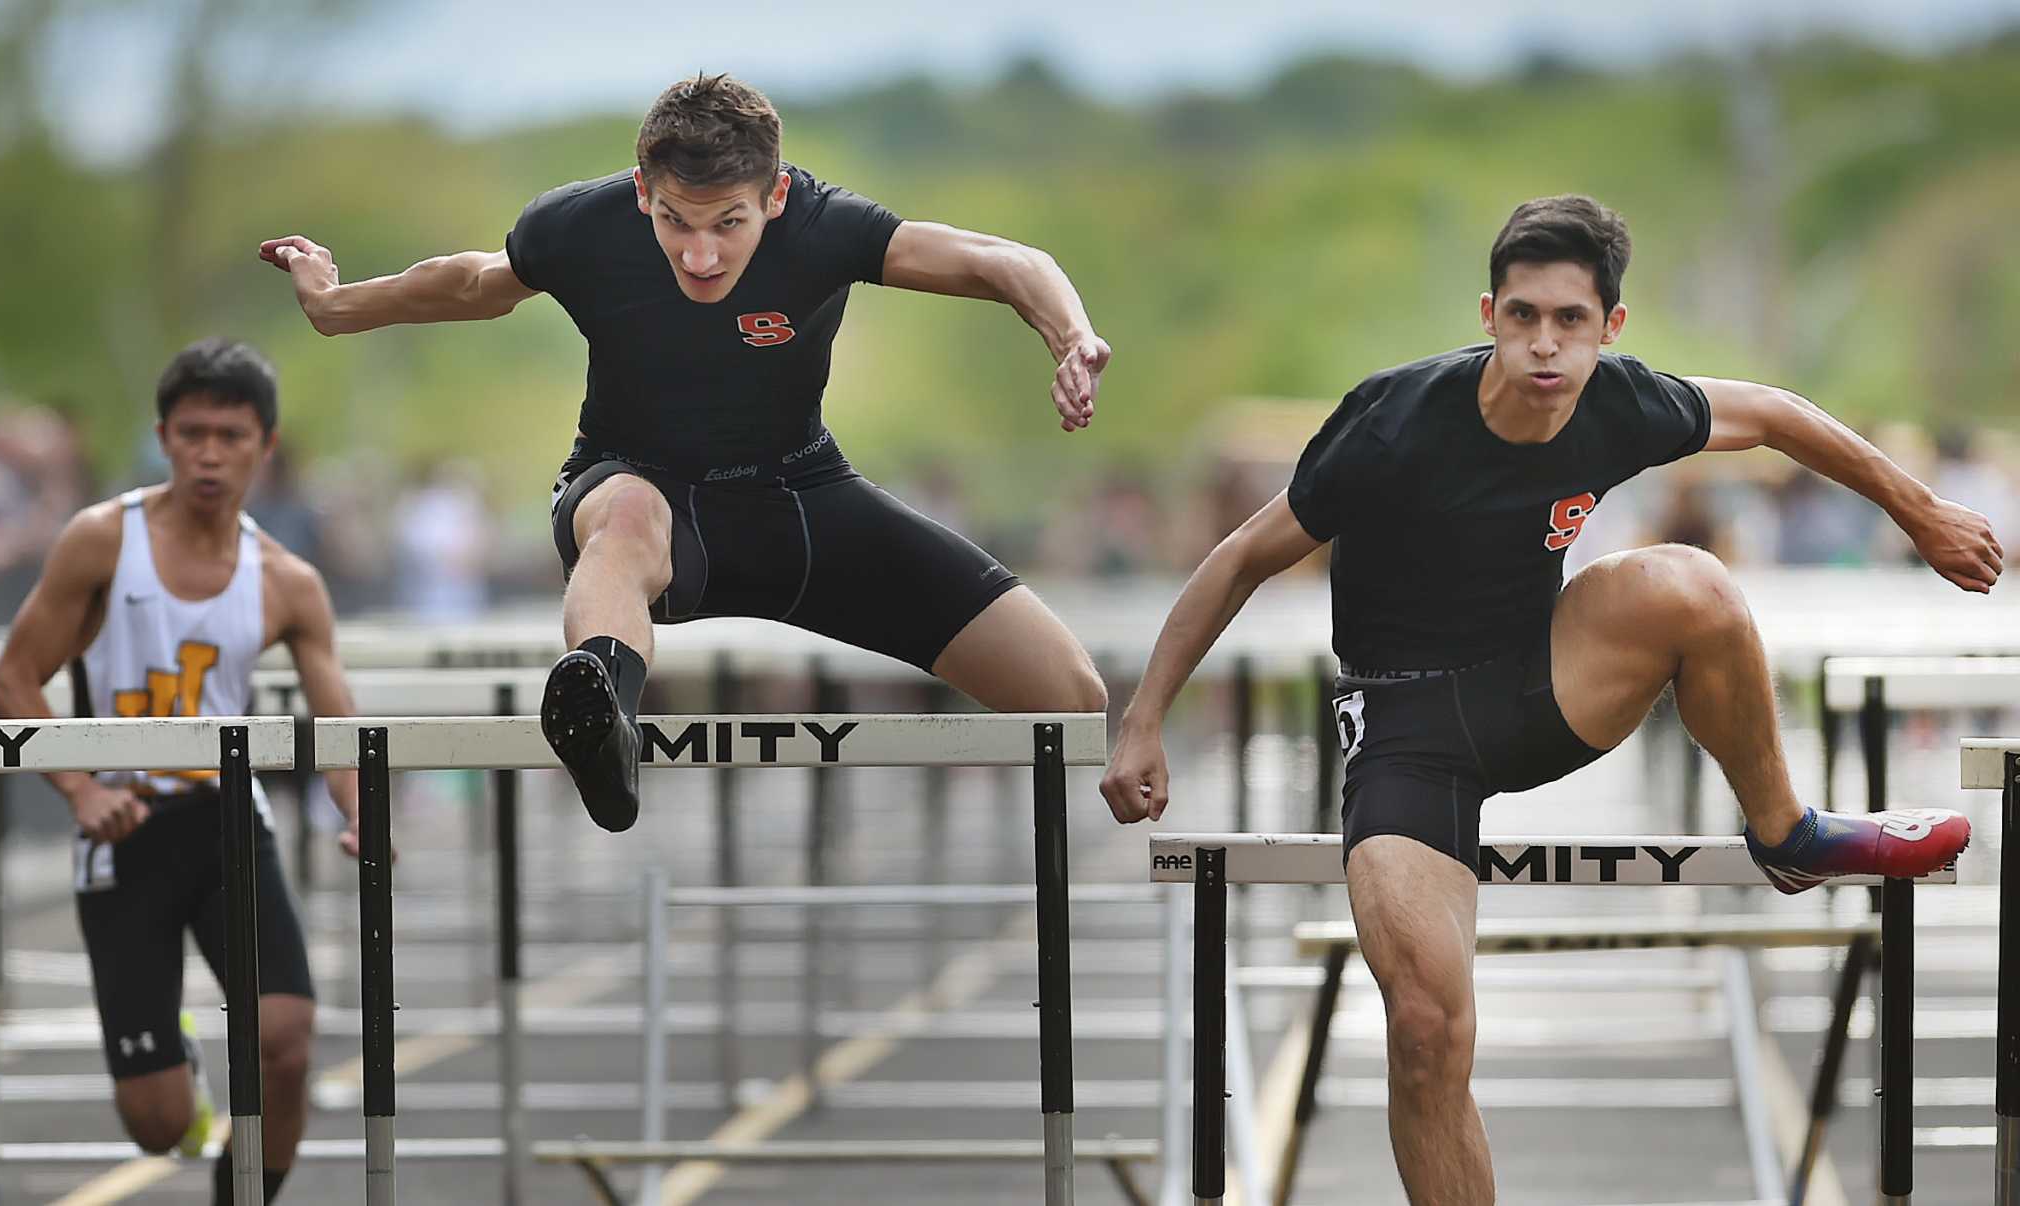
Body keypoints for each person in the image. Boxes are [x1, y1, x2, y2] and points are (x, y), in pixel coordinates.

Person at [1099, 195, 1991, 1204]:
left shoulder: (1623, 400)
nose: (1542, 345)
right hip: (1404, 731)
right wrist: (1141, 722)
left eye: (1568, 320)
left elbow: (1777, 415)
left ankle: (1784, 833)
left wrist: (1919, 514)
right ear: (1489, 314)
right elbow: (1238, 558)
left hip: (1536, 685)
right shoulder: (1394, 423)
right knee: (1426, 1031)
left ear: (1608, 329)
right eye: (1521, 316)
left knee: (1692, 587)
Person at [258, 73, 1109, 831]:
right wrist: (336, 307)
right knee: (628, 510)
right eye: (675, 221)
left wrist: (1070, 335)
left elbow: (1004, 260)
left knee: (1071, 697)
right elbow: (472, 283)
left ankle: (603, 705)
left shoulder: (822, 225)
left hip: (802, 501)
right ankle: (601, 715)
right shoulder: (580, 225)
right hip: (638, 498)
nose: (699, 254)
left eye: (727, 224)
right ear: (642, 193)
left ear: (773, 197)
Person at [0, 338, 360, 1205]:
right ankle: (174, 1069)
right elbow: (12, 678)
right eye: (192, 433)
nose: (209, 453)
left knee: (287, 1037)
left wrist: (356, 813)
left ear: (264, 447)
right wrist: (80, 790)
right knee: (156, 1125)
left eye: (230, 436)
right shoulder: (100, 542)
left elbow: (336, 717)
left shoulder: (287, 580)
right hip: (122, 826)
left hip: (225, 821)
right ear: (164, 436)